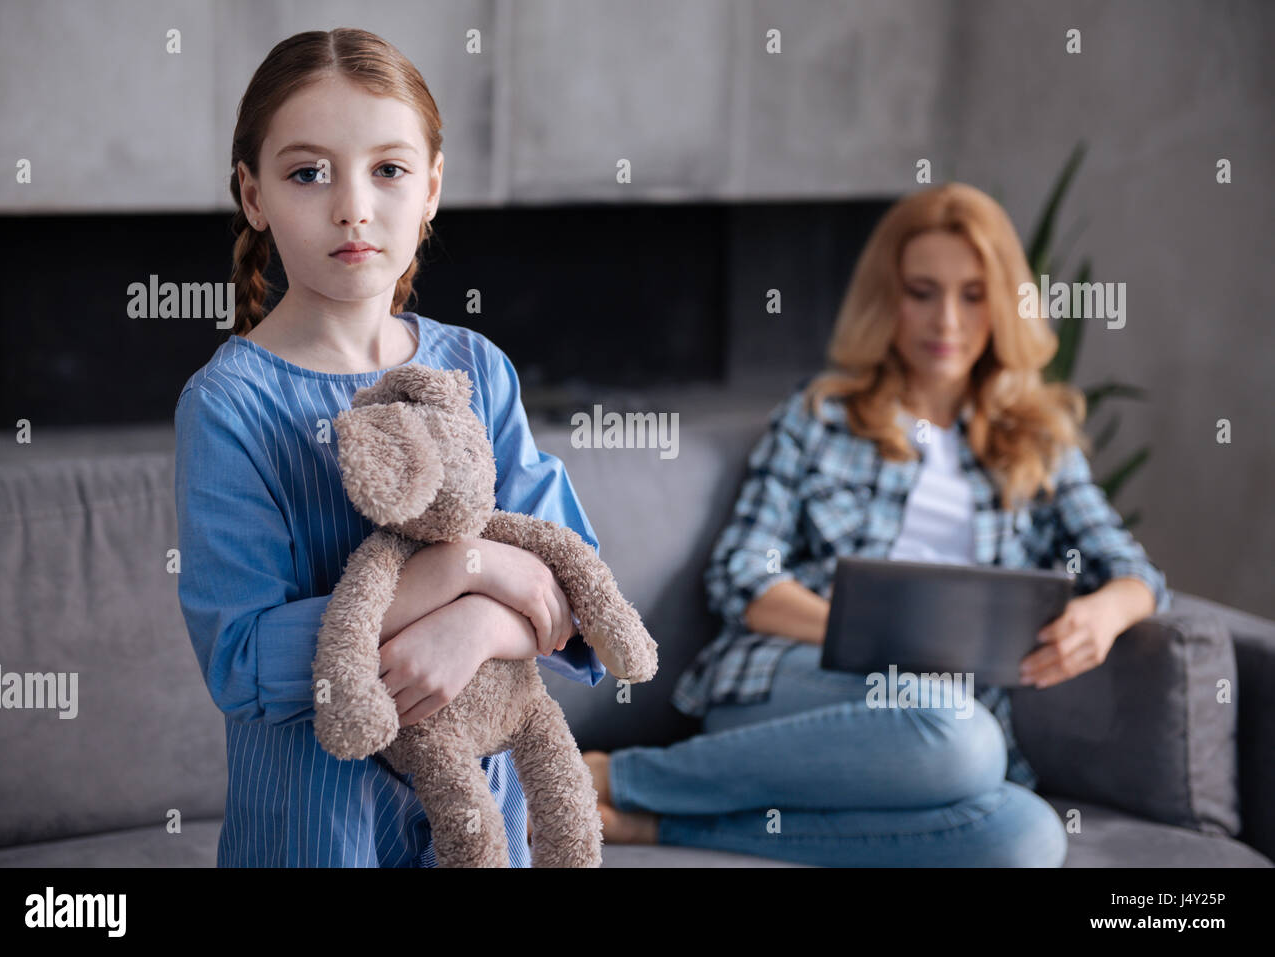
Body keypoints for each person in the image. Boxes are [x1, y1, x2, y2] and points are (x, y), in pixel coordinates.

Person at [582, 182, 1170, 867]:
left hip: (925, 729)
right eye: (922, 291)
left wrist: (1103, 614)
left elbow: (1136, 573)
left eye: (972, 294)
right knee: (964, 736)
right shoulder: (820, 416)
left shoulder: (1037, 443)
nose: (946, 319)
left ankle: (654, 826)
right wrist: (866, 631)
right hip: (797, 677)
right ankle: (617, 775)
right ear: (887, 299)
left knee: (1028, 838)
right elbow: (741, 575)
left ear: (1003, 303)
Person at [174, 28, 599, 867]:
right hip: (315, 836)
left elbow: (575, 589)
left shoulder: (476, 368)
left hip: (482, 834)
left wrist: (477, 625)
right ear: (253, 195)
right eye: (308, 173)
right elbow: (245, 662)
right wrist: (463, 571)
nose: (353, 207)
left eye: (389, 170)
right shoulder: (226, 406)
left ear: (432, 188)